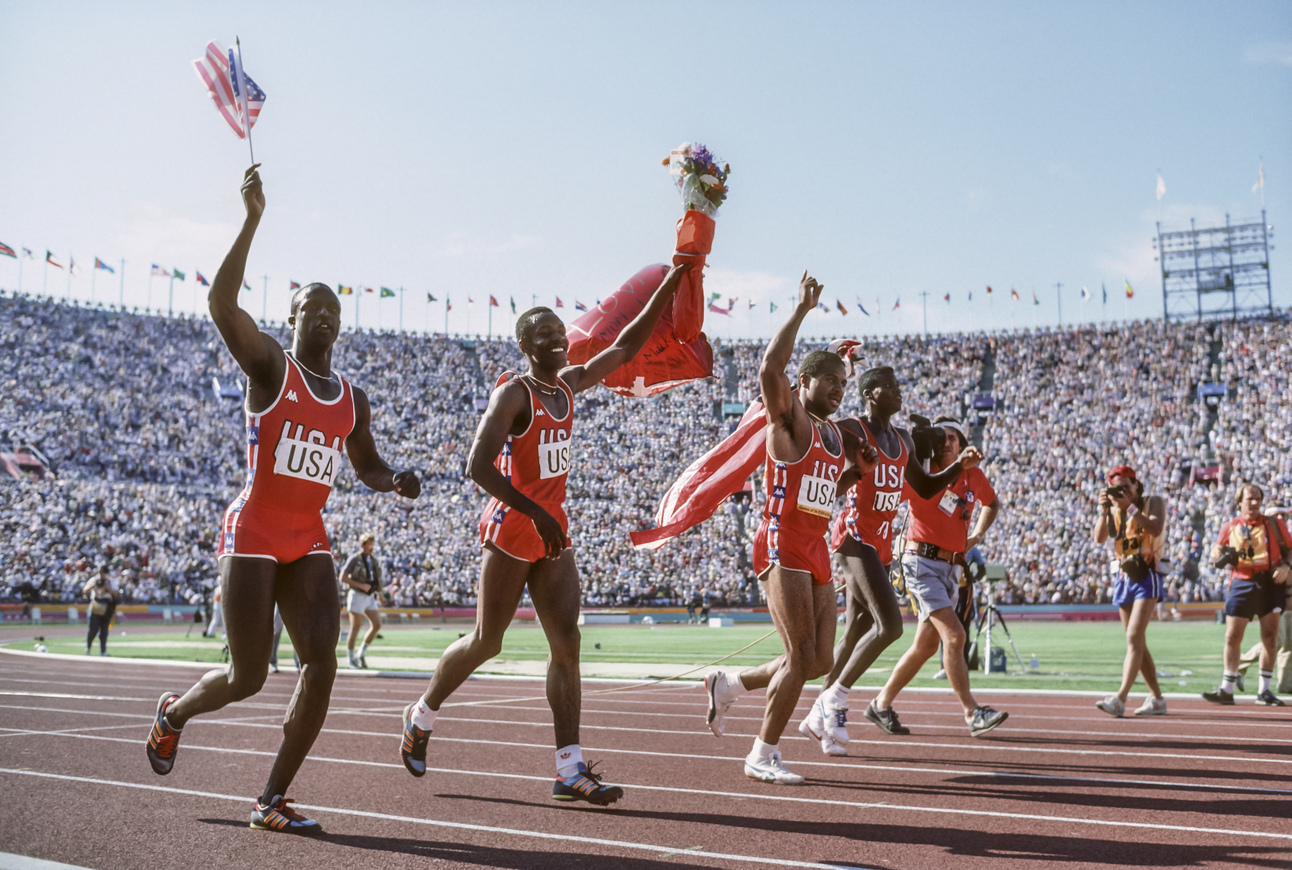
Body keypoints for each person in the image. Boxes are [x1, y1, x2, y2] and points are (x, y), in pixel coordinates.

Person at [145, 165, 421, 835]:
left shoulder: (352, 398)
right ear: (292, 319)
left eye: (334, 312)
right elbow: (221, 305)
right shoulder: (270, 366)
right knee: (247, 677)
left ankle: (270, 799)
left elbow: (367, 465)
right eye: (312, 308)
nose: (325, 316)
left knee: (322, 666)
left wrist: (393, 480)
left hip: (308, 535)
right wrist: (252, 220)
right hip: (254, 530)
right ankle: (173, 714)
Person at [398, 261, 692, 807]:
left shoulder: (569, 384)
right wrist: (535, 511)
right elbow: (476, 466)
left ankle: (569, 769)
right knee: (488, 641)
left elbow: (625, 346)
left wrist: (669, 287)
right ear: (525, 346)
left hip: (552, 528)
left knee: (568, 644)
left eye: (560, 331)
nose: (558, 339)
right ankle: (421, 714)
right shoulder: (513, 395)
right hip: (515, 526)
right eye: (545, 335)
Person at [702, 272, 876, 784]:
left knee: (819, 660)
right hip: (781, 541)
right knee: (799, 657)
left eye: (843, 383)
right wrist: (801, 310)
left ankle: (730, 684)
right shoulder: (790, 420)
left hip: (815, 543)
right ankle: (762, 754)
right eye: (831, 381)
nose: (839, 390)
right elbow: (770, 368)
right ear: (805, 383)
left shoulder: (831, 435)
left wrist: (852, 478)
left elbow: (819, 493)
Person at [798, 367, 978, 755]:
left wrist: (957, 468)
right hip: (854, 536)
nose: (898, 390)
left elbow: (925, 487)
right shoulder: (852, 429)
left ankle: (817, 714)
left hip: (881, 543)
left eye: (898, 385)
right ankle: (835, 699)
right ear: (869, 393)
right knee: (891, 626)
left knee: (856, 629)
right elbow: (817, 440)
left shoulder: (903, 440)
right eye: (889, 386)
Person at [865, 418, 1005, 738]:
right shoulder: (922, 472)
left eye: (953, 437)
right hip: (921, 564)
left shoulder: (972, 475)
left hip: (952, 568)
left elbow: (992, 503)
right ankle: (972, 713)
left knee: (925, 647)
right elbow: (887, 496)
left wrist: (977, 536)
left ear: (963, 444)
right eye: (941, 437)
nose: (946, 442)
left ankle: (880, 704)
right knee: (955, 636)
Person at [1202, 483, 1291, 707]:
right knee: (1233, 636)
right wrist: (1217, 553)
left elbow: (1290, 549)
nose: (1254, 503)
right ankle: (1227, 688)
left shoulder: (1274, 524)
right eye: (1250, 498)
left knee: (1270, 637)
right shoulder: (1230, 526)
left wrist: (1286, 566)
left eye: (1258, 499)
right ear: (1239, 501)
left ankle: (1265, 690)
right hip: (1241, 582)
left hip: (1270, 583)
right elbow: (1216, 552)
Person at [1091, 464, 1169, 717]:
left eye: (1126, 486)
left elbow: (1156, 529)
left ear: (1136, 484)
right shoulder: (1115, 509)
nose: (1123, 492)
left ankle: (1120, 698)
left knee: (1134, 636)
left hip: (1148, 572)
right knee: (1137, 641)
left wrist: (1131, 508)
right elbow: (1099, 538)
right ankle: (1157, 699)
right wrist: (1105, 510)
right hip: (1124, 575)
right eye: (1117, 488)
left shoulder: (1152, 501)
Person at [341, 533, 384, 669]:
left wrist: (378, 593)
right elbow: (342, 577)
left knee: (377, 625)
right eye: (369, 544)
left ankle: (361, 653)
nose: (372, 547)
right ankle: (350, 659)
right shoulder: (355, 559)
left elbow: (373, 581)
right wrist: (360, 585)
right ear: (362, 545)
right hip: (357, 595)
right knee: (355, 627)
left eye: (373, 544)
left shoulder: (374, 560)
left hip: (369, 596)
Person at [83, 566, 116, 656]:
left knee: (104, 630)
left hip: (107, 606)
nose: (102, 575)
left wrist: (106, 588)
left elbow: (115, 592)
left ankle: (103, 651)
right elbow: (85, 590)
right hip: (96, 605)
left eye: (104, 573)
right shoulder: (94, 580)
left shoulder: (110, 581)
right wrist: (94, 585)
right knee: (93, 629)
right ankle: (88, 648)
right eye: (101, 572)